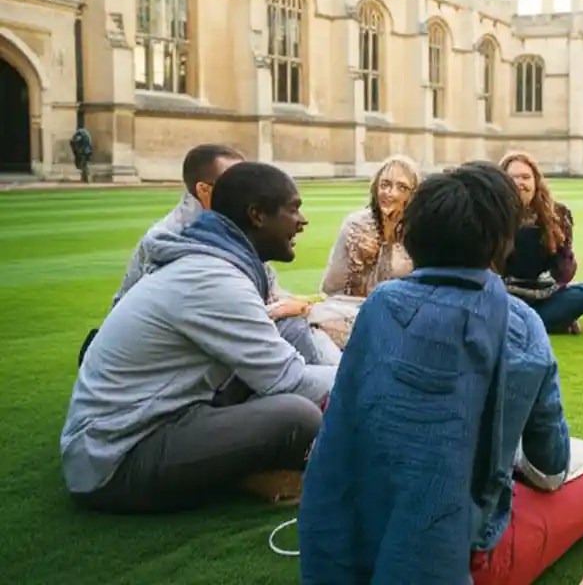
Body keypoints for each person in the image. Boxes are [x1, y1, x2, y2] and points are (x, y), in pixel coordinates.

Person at [298, 162, 583, 585]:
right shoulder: (521, 326)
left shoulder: (380, 305)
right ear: (502, 241)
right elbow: (549, 470)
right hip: (460, 556)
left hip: (353, 534)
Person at [60, 162, 337, 514]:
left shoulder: (214, 265)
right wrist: (372, 374)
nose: (302, 220)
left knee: (288, 344)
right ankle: (244, 476)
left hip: (164, 415)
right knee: (297, 416)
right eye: (293, 208)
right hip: (113, 459)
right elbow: (290, 380)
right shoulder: (214, 279)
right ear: (257, 216)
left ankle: (242, 469)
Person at [103, 143, 336, 366]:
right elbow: (243, 307)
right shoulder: (179, 241)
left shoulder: (230, 231)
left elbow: (270, 295)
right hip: (166, 365)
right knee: (294, 332)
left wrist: (303, 306)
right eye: (233, 181)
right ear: (203, 190)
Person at [309, 155, 419, 348]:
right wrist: (358, 266)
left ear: (413, 195)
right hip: (353, 310)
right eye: (385, 184)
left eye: (402, 187)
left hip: (401, 316)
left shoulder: (420, 231)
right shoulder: (356, 226)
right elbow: (331, 288)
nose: (391, 193)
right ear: (375, 188)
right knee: (314, 320)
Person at [500, 151, 583, 334]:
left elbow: (562, 271)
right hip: (504, 295)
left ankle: (518, 324)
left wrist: (566, 261)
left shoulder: (558, 215)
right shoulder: (491, 214)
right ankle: (543, 322)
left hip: (545, 294)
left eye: (525, 177)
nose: (519, 183)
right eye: (512, 177)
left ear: (536, 182)